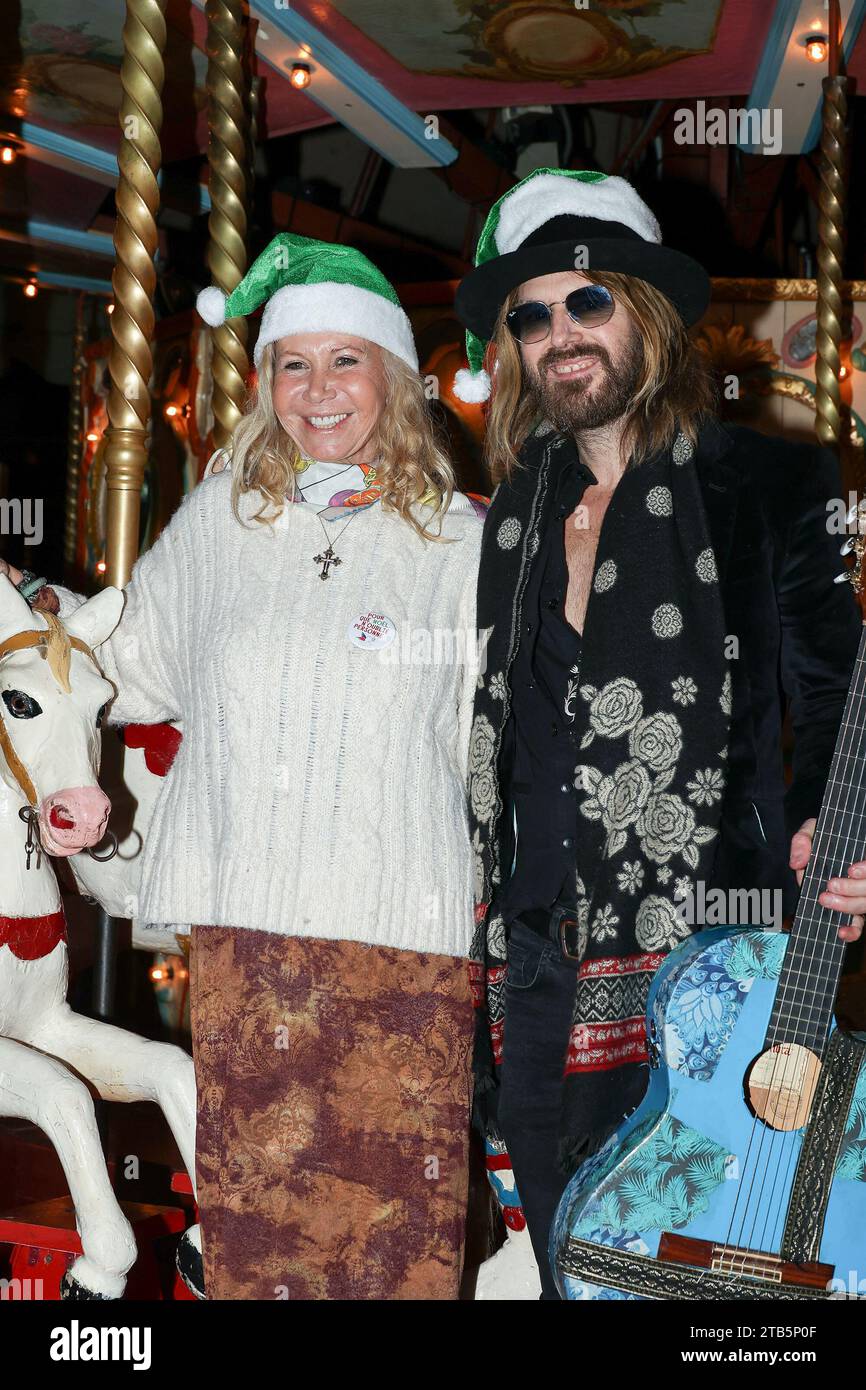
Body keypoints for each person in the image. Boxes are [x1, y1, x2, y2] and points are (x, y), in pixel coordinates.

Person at [1, 232, 484, 1300]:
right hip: (247, 938)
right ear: (264, 382)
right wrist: (24, 615)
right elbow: (126, 669)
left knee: (388, 1250)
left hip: (397, 943)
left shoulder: (461, 545)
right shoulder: (221, 525)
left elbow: (491, 735)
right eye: (291, 363)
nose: (318, 389)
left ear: (394, 377)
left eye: (345, 360)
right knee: (260, 1250)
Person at [452, 166, 866, 1299]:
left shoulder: (769, 483)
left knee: (711, 1272)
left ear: (650, 314)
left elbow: (835, 690)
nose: (557, 335)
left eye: (586, 301)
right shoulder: (513, 511)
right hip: (529, 952)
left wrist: (846, 837)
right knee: (563, 1263)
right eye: (530, 316)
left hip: (713, 954)